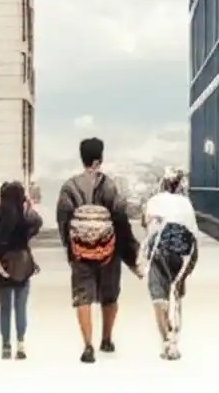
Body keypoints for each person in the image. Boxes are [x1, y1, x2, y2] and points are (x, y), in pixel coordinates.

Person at [57, 137, 141, 364]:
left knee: (82, 296)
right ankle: (106, 339)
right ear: (99, 159)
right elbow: (120, 219)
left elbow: (63, 220)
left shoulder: (69, 187)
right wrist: (130, 252)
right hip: (108, 252)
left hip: (80, 252)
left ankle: (87, 346)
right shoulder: (109, 186)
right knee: (109, 295)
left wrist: (71, 248)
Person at [140, 167, 198, 361]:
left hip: (159, 252)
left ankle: (166, 341)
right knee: (176, 294)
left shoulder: (154, 201)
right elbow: (194, 236)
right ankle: (175, 339)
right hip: (182, 255)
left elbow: (145, 224)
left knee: (159, 296)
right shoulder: (186, 204)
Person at [0, 181, 43, 360]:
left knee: (4, 308)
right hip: (22, 266)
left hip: (1, 266)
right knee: (20, 307)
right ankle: (21, 343)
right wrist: (28, 207)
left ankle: (5, 345)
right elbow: (37, 223)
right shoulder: (24, 218)